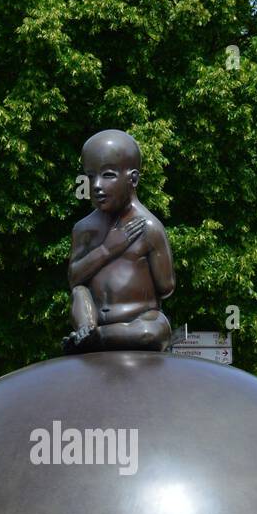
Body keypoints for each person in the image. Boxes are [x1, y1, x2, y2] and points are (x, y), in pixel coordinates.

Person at [63, 129, 175, 353]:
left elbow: (166, 287)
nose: (96, 185)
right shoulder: (83, 229)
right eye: (90, 175)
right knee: (79, 293)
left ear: (132, 178)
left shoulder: (149, 228)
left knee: (152, 331)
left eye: (108, 175)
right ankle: (88, 331)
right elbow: (75, 279)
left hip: (137, 322)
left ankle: (96, 338)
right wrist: (107, 249)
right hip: (92, 318)